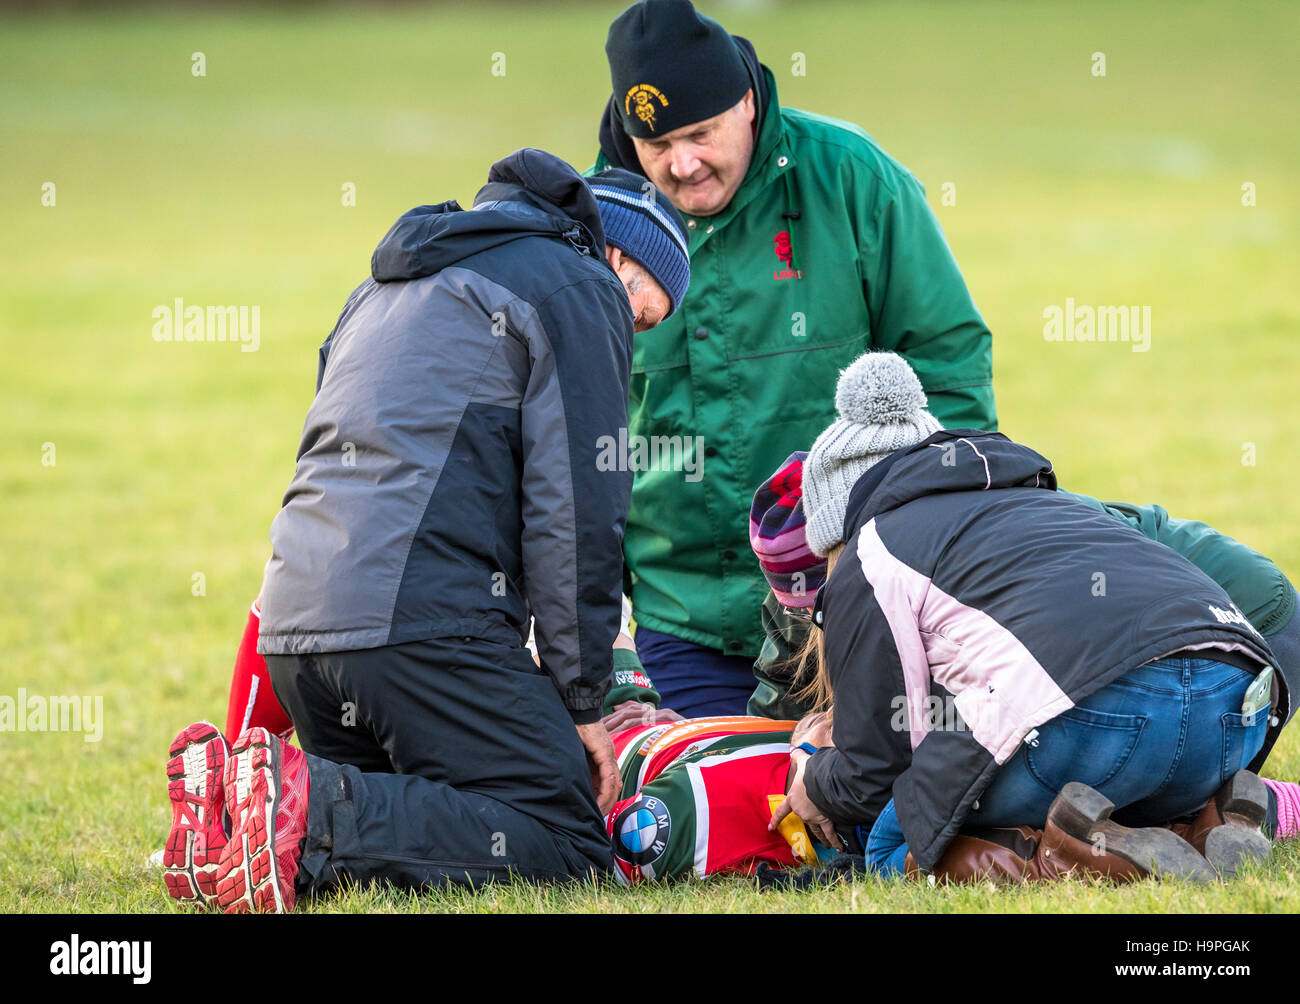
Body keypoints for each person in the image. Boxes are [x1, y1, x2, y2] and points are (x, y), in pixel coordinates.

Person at [162, 149, 692, 912]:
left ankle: (237, 826)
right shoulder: (581, 288)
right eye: (642, 311)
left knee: (426, 808)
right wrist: (583, 701)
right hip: (416, 629)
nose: (634, 331)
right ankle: (309, 809)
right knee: (565, 835)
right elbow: (576, 512)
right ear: (618, 258)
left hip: (297, 641)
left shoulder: (382, 285)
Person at [590, 0, 997, 717]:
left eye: (700, 134)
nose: (683, 165)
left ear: (747, 103)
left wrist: (929, 554)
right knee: (702, 784)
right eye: (656, 144)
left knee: (855, 781)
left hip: (853, 605)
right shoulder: (591, 231)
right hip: (682, 620)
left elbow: (949, 369)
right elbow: (570, 447)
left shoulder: (857, 181)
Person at [772, 351, 1288, 880]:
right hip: (1236, 710)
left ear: (836, 518)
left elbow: (875, 769)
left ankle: (1066, 859)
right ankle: (1202, 826)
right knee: (1095, 763)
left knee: (893, 843)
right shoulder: (1052, 504)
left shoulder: (873, 550)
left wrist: (816, 780)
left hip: (1101, 717)